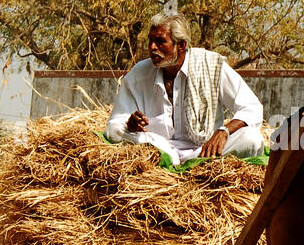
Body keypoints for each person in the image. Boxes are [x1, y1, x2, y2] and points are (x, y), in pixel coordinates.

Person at [106, 12, 265, 165]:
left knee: (251, 138)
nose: (152, 47)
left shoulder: (211, 66)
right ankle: (169, 160)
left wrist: (224, 131)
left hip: (204, 152)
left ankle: (190, 164)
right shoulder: (139, 74)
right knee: (115, 131)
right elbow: (115, 124)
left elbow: (252, 107)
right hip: (157, 149)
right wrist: (130, 125)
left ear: (181, 45)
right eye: (150, 41)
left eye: (160, 41)